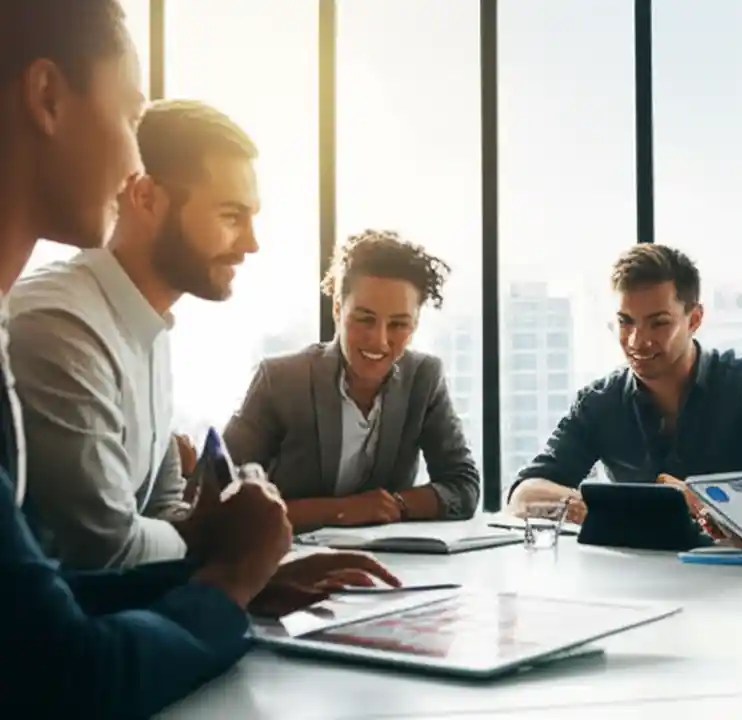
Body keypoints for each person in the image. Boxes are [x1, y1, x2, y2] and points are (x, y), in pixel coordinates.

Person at [0, 4, 395, 715]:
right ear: (48, 97)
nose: (132, 162)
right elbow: (74, 636)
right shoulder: (54, 324)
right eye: (130, 118)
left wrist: (241, 567)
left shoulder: (147, 330)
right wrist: (231, 569)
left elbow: (130, 542)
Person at [9, 98, 269, 569]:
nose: (251, 244)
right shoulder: (62, 327)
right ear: (146, 198)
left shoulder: (149, 326)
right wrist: (219, 541)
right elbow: (105, 546)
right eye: (231, 216)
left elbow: (161, 507)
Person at [224, 229, 480, 532]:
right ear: (337, 308)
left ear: (415, 323)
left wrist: (396, 505)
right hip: (288, 552)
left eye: (398, 324)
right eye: (364, 319)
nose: (380, 340)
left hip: (391, 556)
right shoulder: (280, 380)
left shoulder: (424, 378)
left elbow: (463, 486)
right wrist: (341, 511)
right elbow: (223, 495)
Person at [507, 244, 742, 524]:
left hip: (738, 554)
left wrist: (699, 501)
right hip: (632, 554)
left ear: (694, 320)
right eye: (625, 322)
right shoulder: (600, 402)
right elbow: (523, 494)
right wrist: (601, 508)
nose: (637, 341)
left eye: (658, 323)